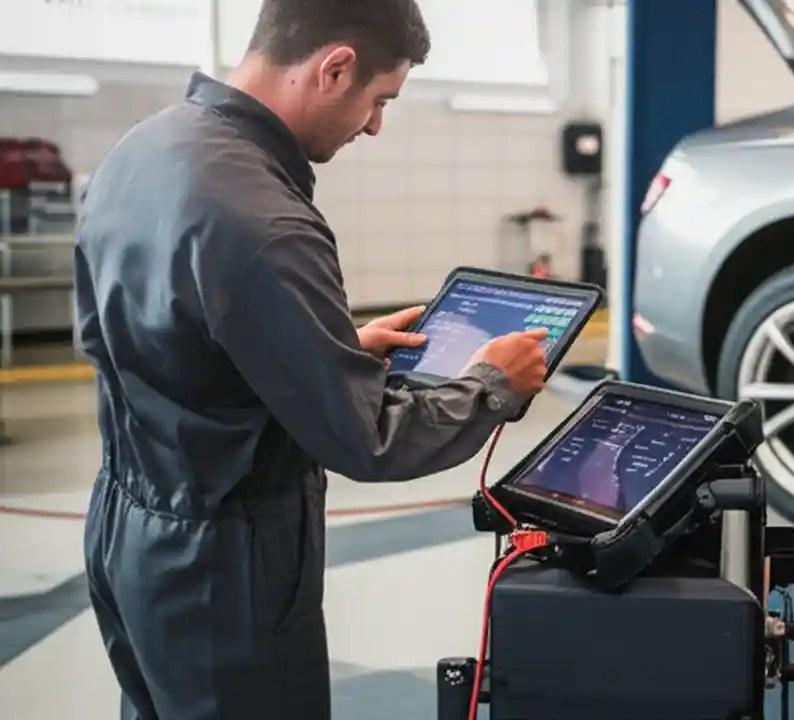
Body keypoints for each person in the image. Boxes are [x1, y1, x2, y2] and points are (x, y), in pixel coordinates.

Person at [74, 1, 547, 718]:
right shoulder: (267, 222)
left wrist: (324, 351)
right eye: (379, 100)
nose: (376, 126)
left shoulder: (145, 150)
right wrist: (491, 385)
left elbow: (161, 342)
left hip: (127, 529)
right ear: (334, 68)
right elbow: (367, 440)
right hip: (224, 567)